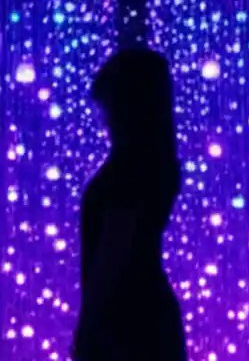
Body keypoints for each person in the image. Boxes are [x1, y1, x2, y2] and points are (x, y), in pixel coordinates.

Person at [73, 49, 187, 361]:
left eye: (109, 105)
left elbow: (113, 252)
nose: (105, 119)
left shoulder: (130, 168)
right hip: (143, 316)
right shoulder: (157, 162)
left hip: (125, 322)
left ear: (127, 104)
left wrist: (88, 326)